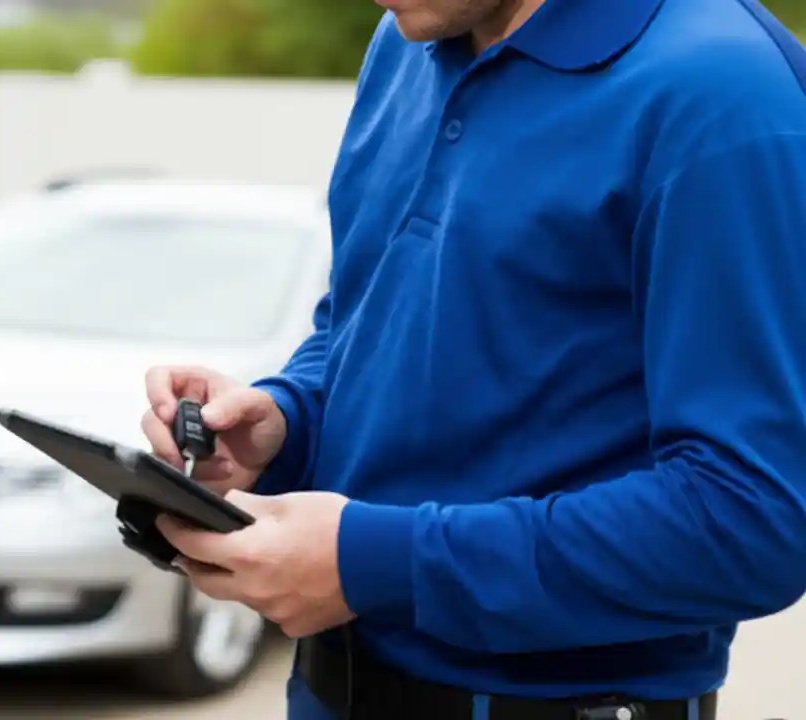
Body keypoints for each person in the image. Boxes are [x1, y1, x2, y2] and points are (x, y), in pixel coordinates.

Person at [141, 0, 806, 718]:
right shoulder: (410, 38)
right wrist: (287, 421)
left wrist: (377, 564)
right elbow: (363, 316)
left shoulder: (727, 95)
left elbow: (753, 520)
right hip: (329, 691)